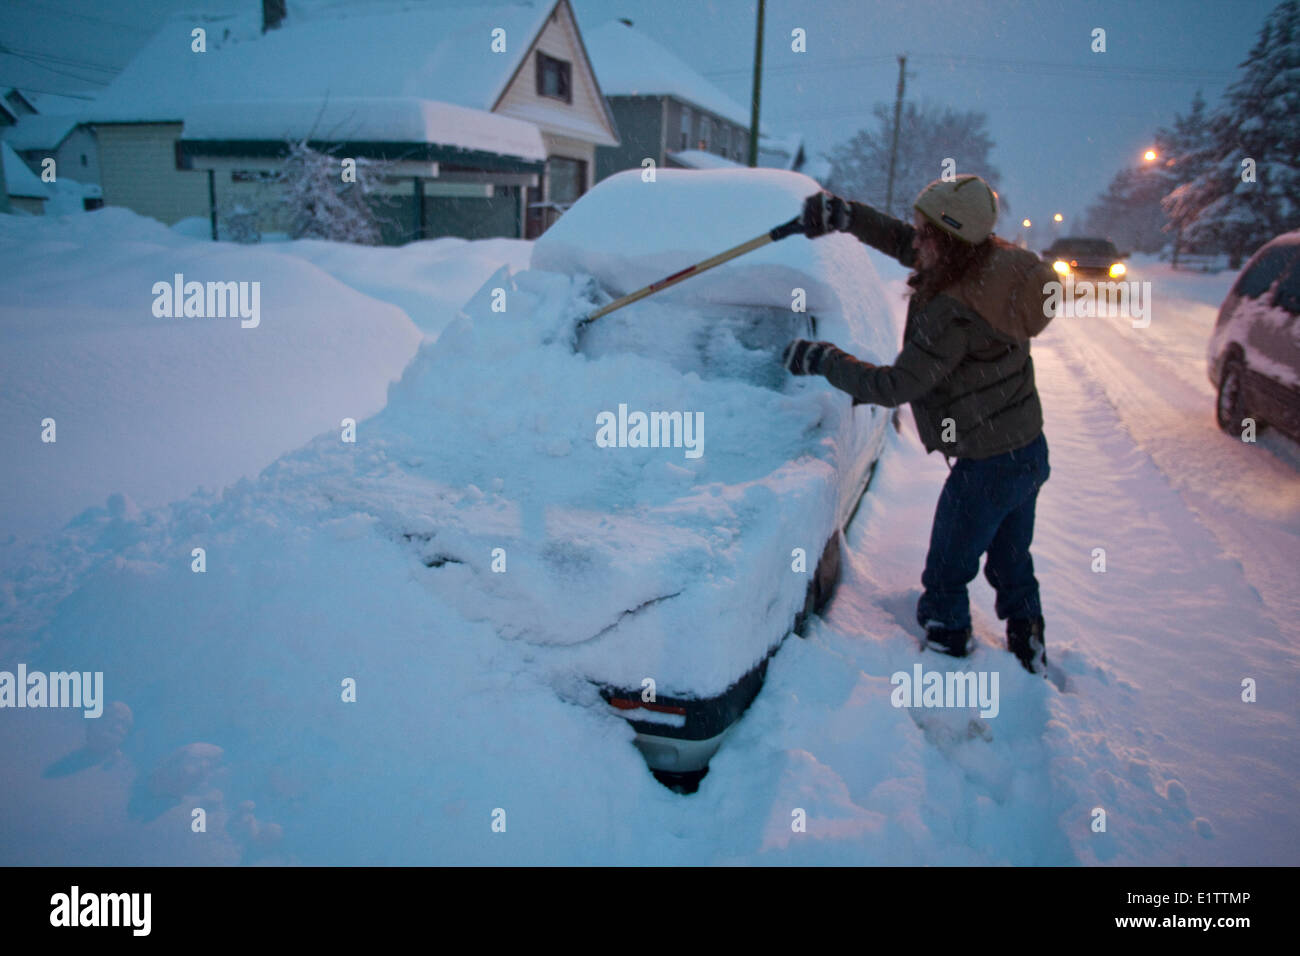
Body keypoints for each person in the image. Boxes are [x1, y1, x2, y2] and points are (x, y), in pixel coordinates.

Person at [783, 175, 1055, 674]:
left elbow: (895, 387)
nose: (914, 236)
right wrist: (849, 216)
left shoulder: (950, 313)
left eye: (923, 230)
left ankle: (946, 655)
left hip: (987, 467)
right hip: (1027, 452)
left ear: (947, 241)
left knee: (947, 570)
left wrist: (823, 358)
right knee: (1011, 560)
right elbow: (904, 244)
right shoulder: (989, 267)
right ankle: (1028, 640)